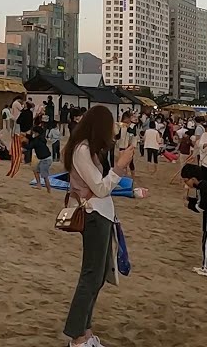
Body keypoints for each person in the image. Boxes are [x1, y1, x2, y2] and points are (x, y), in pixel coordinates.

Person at [61, 104, 136, 347]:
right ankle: (76, 337)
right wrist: (119, 166)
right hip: (94, 215)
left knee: (98, 275)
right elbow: (101, 187)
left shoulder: (90, 150)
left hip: (102, 214)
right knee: (91, 276)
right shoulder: (81, 150)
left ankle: (85, 331)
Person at [28, 124, 54, 192]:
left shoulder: (37, 140)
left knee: (45, 176)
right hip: (45, 159)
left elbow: (29, 146)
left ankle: (49, 189)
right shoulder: (41, 138)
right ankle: (39, 185)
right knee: (36, 170)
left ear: (37, 133)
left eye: (33, 132)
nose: (33, 134)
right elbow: (32, 140)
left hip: (45, 160)